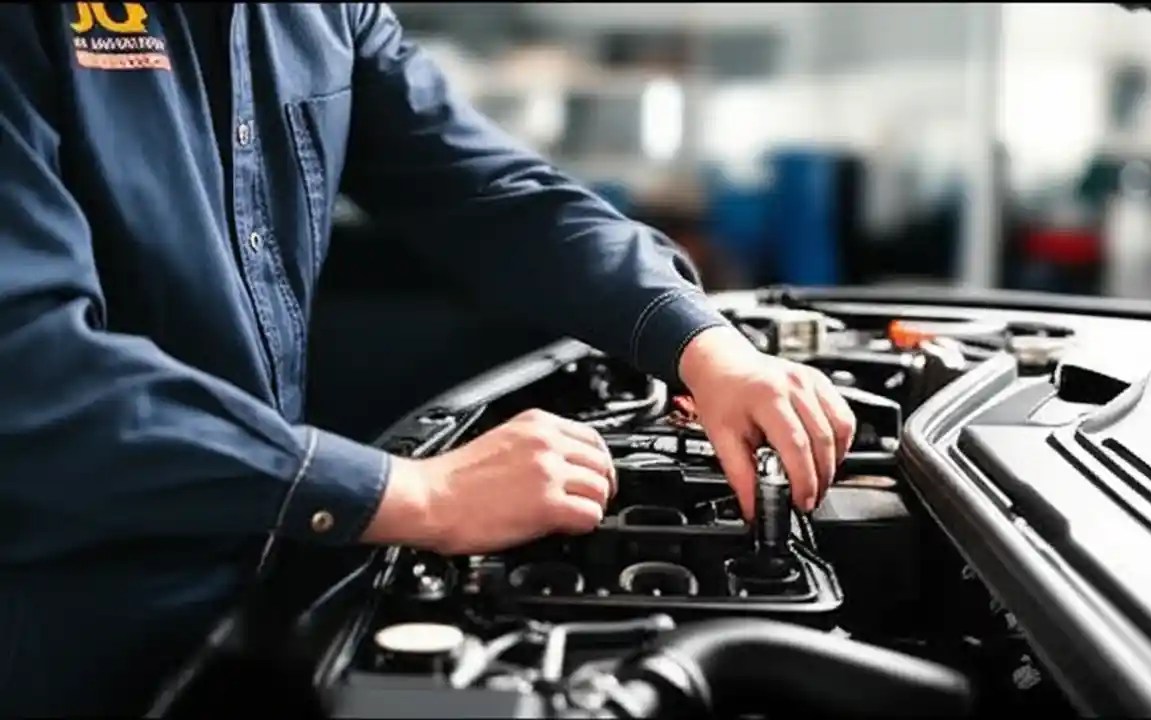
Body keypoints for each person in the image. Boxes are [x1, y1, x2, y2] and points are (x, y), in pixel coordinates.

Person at [0, 3, 856, 714]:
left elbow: (488, 190)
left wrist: (704, 344)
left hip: (247, 576)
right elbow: (31, 368)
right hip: (54, 624)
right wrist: (415, 494)